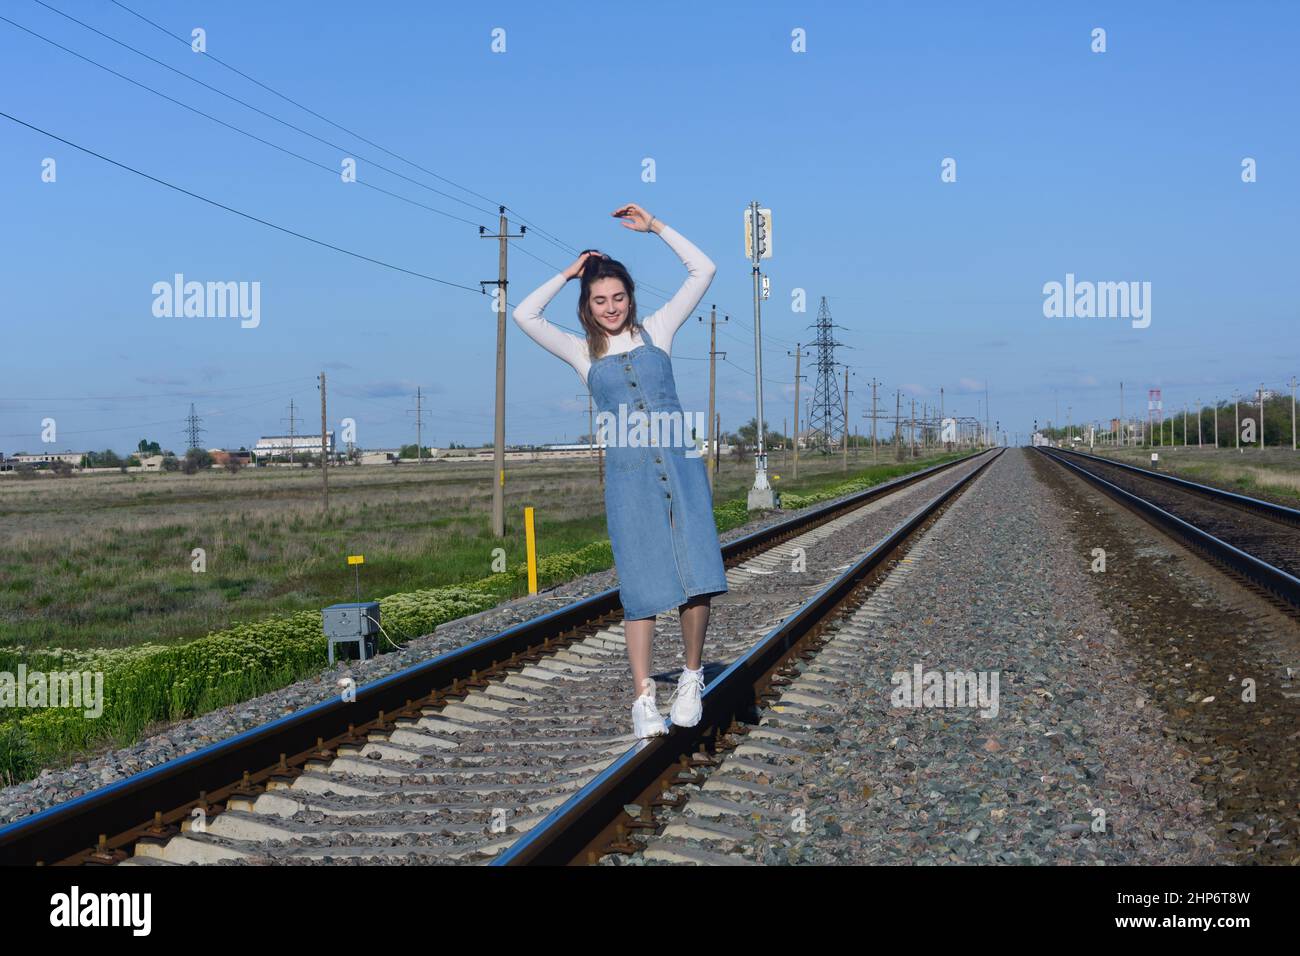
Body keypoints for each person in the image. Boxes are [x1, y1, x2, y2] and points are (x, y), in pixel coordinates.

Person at [512, 203, 728, 738]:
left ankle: (692, 677)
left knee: (695, 574)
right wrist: (568, 272)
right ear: (587, 305)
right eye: (598, 300)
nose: (610, 307)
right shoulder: (582, 352)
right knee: (642, 585)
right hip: (629, 478)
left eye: (618, 297)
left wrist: (655, 227)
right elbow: (524, 315)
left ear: (631, 298)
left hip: (680, 465)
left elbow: (704, 269)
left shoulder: (660, 329)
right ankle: (642, 698)